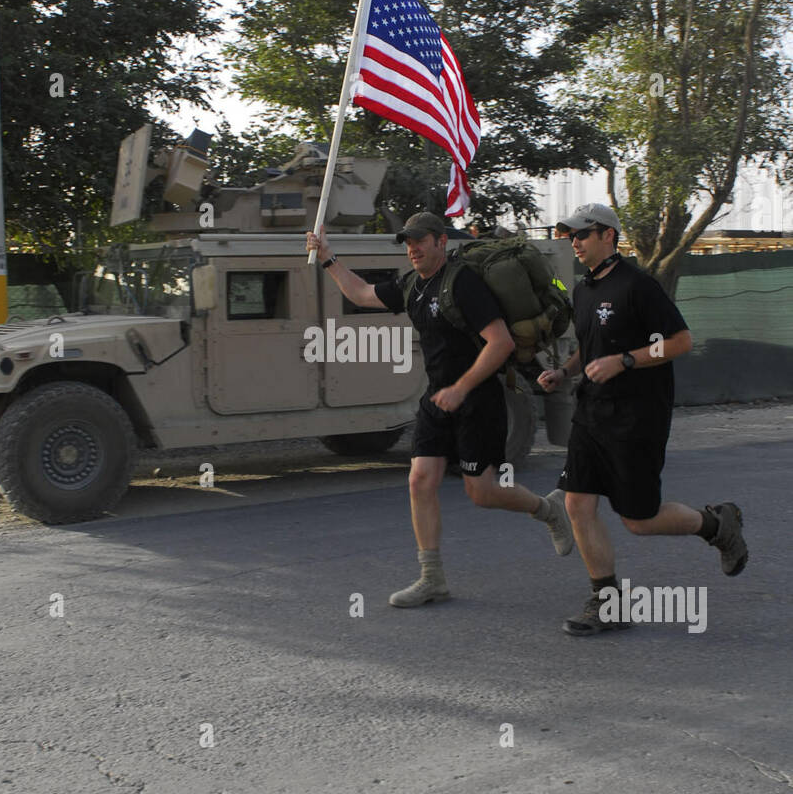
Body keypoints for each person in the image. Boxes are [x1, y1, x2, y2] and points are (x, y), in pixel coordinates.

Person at [306, 211, 574, 606]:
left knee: (482, 492)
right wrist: (328, 258)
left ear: (441, 242)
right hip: (437, 398)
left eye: (420, 241)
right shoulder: (413, 285)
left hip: (476, 398)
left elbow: (499, 343)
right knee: (419, 481)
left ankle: (548, 509)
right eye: (408, 242)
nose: (412, 248)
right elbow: (361, 293)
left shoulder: (463, 283)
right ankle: (432, 578)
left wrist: (462, 388)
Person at [537, 203, 748, 637]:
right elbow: (591, 347)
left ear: (608, 236)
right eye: (570, 234)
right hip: (591, 412)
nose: (574, 241)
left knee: (639, 519)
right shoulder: (583, 289)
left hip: (636, 416)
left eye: (582, 233)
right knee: (577, 502)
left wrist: (625, 361)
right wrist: (565, 372)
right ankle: (607, 602)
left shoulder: (638, 286)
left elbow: (681, 341)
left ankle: (716, 523)